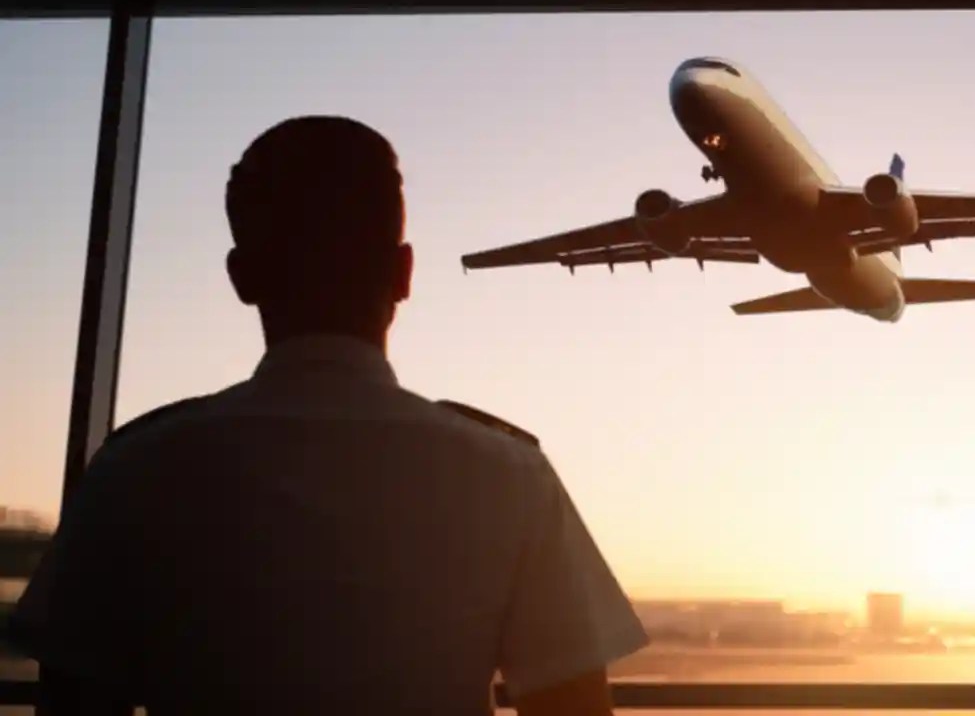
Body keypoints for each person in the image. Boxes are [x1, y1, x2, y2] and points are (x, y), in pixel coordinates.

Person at [9, 116, 649, 716]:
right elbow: (573, 705)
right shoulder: (511, 474)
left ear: (241, 276)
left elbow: (76, 698)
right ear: (403, 273)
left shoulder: (134, 467)